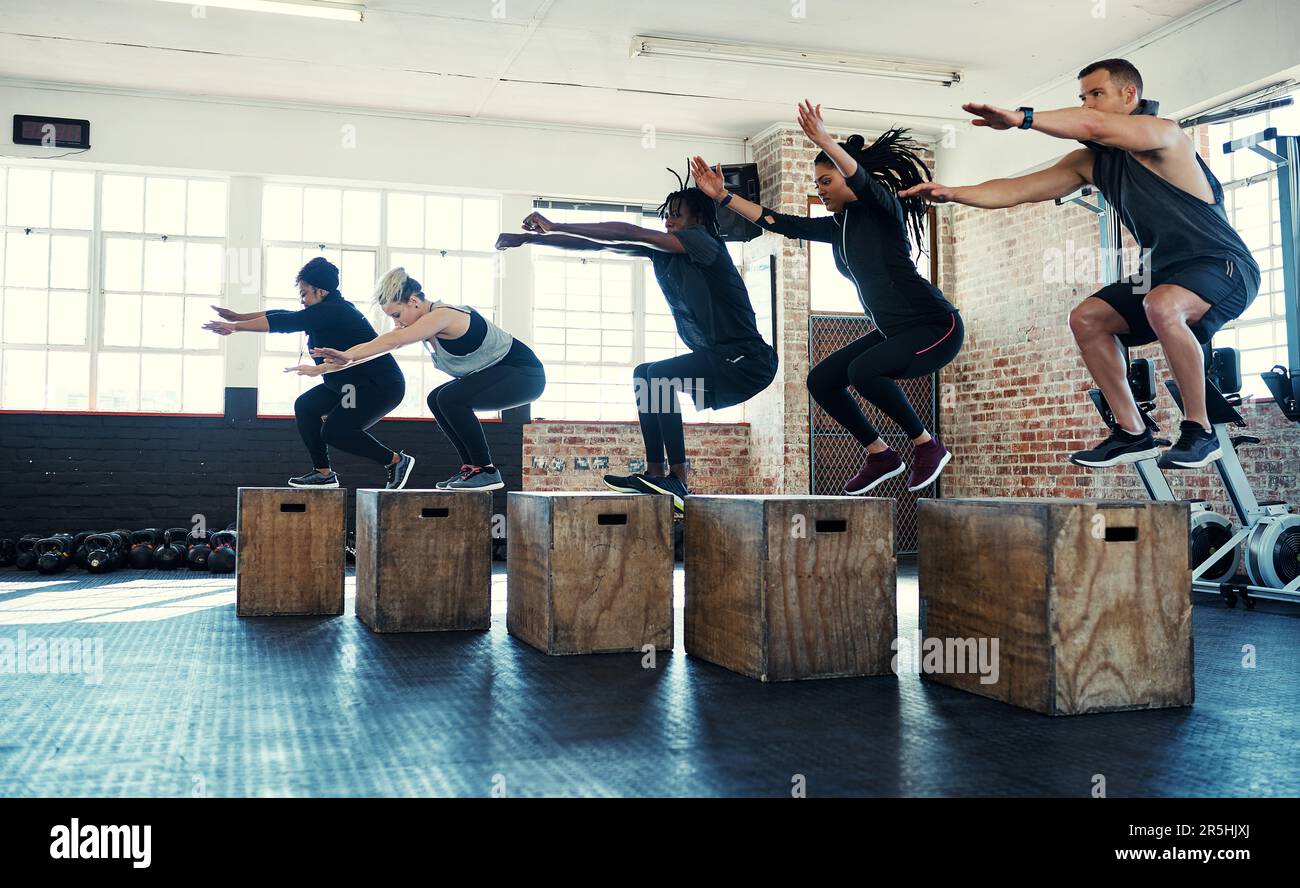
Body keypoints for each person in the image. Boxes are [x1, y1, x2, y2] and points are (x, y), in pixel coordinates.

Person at [900, 59, 1260, 470]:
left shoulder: (1165, 135)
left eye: (1097, 95)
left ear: (1130, 96)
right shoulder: (1090, 163)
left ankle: (1200, 430)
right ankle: (1132, 432)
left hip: (1225, 266)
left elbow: (1094, 127)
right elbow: (1018, 189)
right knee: (1088, 317)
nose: (1088, 105)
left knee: (1161, 304)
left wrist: (1022, 118)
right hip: (1165, 273)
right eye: (1083, 98)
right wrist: (952, 193)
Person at [693, 100, 963, 494]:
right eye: (817, 183)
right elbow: (780, 222)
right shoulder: (841, 227)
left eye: (826, 181)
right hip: (895, 332)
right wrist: (723, 198)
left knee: (863, 371)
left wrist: (824, 140)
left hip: (936, 326)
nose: (819, 191)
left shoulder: (883, 209)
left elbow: (864, 180)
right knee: (821, 380)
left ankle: (927, 445)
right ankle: (881, 454)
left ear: (849, 179)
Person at [495, 176, 779, 512]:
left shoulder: (703, 242)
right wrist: (531, 240)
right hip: (720, 358)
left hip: (748, 360)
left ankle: (677, 477)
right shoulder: (665, 251)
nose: (668, 220)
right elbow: (598, 244)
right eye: (666, 215)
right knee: (646, 374)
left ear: (698, 220)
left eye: (677, 214)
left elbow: (631, 231)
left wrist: (556, 222)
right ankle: (657, 474)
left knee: (657, 376)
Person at [291, 267, 545, 492]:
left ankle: (487, 470)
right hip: (502, 375)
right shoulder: (420, 323)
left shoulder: (442, 316)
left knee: (450, 398)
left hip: (524, 374)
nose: (396, 322)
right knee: (436, 399)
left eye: (397, 314)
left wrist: (347, 355)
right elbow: (383, 342)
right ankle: (472, 468)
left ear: (413, 301)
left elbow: (394, 340)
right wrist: (333, 364)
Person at [204, 256, 414, 489]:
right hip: (348, 385)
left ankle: (396, 461)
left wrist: (235, 327)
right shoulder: (325, 309)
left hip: (378, 386)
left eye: (304, 293)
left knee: (335, 431)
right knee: (306, 406)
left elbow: (288, 321)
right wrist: (239, 317)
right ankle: (323, 473)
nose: (302, 300)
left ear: (320, 291)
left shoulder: (335, 311)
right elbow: (285, 313)